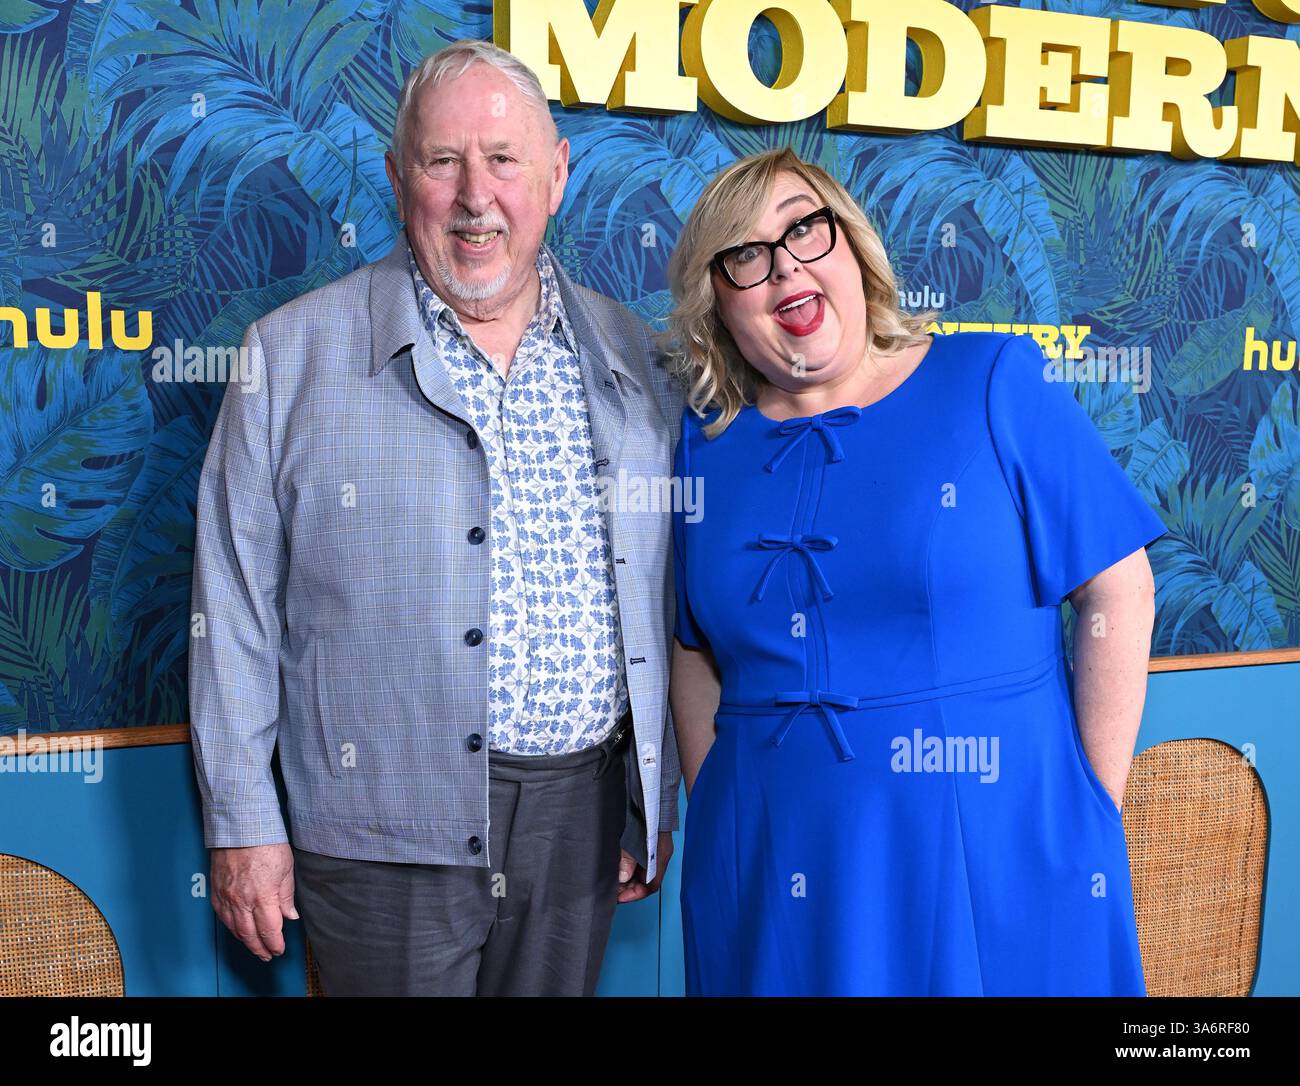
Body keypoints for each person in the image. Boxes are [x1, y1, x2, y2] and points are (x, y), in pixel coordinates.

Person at [188, 39, 682, 996]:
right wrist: (244, 820)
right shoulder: (288, 357)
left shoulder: (638, 357)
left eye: (503, 160)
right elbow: (232, 607)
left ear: (558, 175)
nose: (474, 196)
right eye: (441, 160)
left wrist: (647, 792)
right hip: (377, 828)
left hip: (578, 819)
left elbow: (662, 595)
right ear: (396, 174)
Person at [665, 147, 1166, 996]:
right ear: (719, 301)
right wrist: (718, 800)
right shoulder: (701, 446)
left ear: (853, 249)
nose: (785, 264)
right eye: (745, 256)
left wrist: (1090, 804)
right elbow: (691, 647)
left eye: (804, 230)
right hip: (767, 869)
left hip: (993, 845)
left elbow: (1118, 585)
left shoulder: (993, 380)